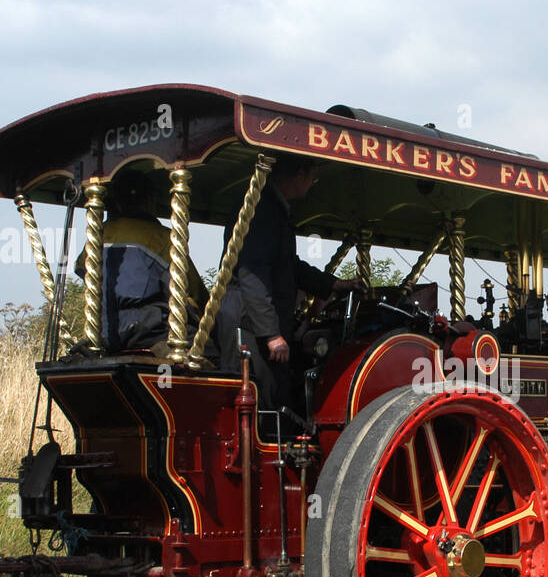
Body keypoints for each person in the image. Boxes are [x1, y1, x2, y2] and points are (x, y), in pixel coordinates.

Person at [213, 155, 360, 415]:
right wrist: (271, 334)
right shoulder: (262, 209)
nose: (313, 182)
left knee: (274, 393)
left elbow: (288, 265)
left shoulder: (272, 208)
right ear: (299, 173)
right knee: (263, 398)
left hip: (252, 321)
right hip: (249, 324)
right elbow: (251, 273)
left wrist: (334, 285)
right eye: (312, 176)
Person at [74, 169, 209, 354]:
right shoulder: (161, 238)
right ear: (150, 201)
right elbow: (193, 293)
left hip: (104, 331)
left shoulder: (99, 234)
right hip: (147, 331)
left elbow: (82, 269)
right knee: (208, 345)